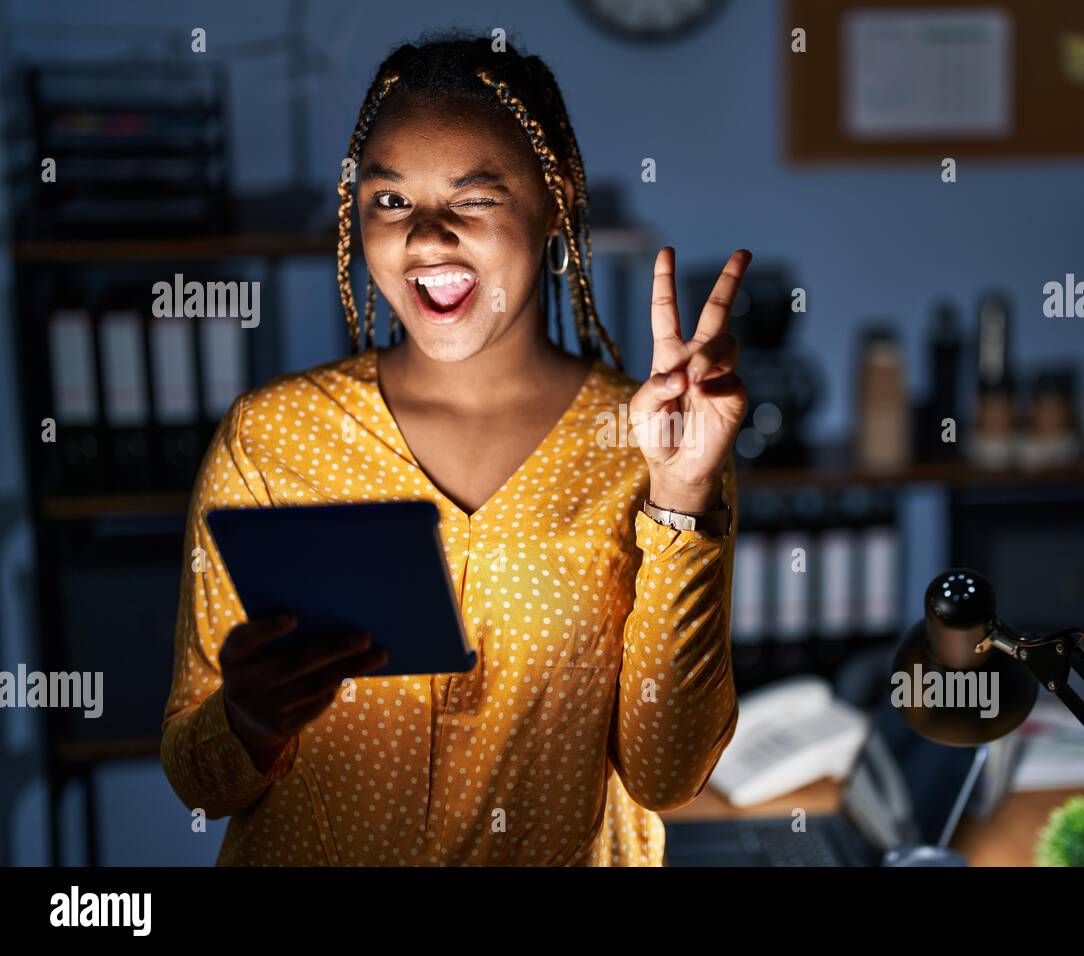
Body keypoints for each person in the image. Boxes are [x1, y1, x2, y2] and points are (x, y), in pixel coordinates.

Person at [161, 32, 751, 866]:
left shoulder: (655, 444)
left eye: (473, 199)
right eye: (390, 201)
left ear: (554, 197)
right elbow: (197, 775)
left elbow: (668, 774)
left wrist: (683, 494)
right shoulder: (271, 439)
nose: (426, 237)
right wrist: (248, 723)